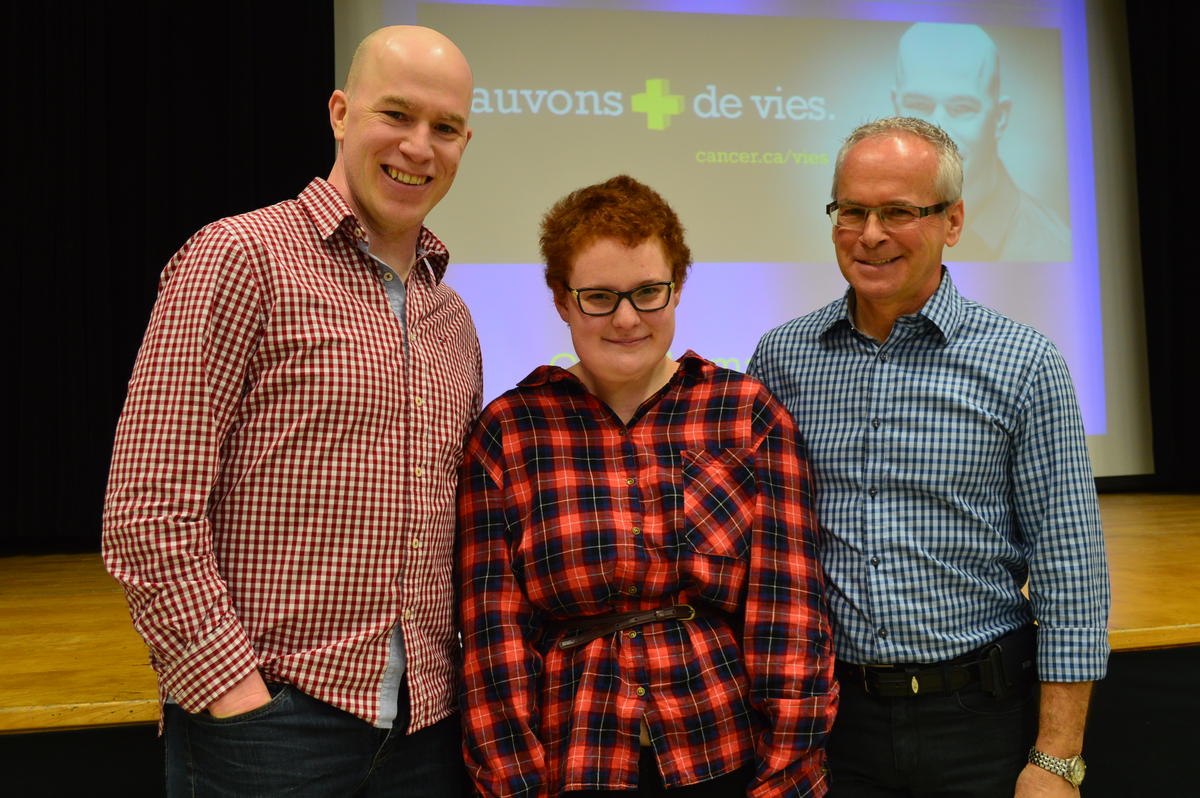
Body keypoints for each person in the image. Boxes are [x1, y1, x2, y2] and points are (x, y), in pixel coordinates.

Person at [102, 26, 480, 796]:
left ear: (464, 142)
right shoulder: (239, 258)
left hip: (426, 733)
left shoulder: (454, 320)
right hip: (270, 730)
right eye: (396, 115)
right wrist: (232, 695)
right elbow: (147, 508)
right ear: (340, 112)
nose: (419, 146)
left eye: (444, 128)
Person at [748, 118, 1108, 797]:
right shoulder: (781, 360)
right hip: (834, 724)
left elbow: (1072, 572)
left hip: (980, 719)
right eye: (852, 211)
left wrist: (1056, 758)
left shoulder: (1024, 364)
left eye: (899, 212)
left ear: (953, 221)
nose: (871, 234)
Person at [457, 175, 837, 797]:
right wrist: (512, 785)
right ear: (562, 300)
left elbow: (788, 610)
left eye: (648, 292)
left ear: (678, 287)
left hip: (724, 750)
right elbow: (493, 638)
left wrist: (787, 774)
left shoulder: (745, 413)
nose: (627, 318)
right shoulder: (510, 431)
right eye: (600, 297)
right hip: (574, 758)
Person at [892, 22, 1071, 261]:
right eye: (918, 105)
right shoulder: (864, 231)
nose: (938, 129)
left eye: (962, 108)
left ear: (999, 118)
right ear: (896, 110)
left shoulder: (1053, 249)